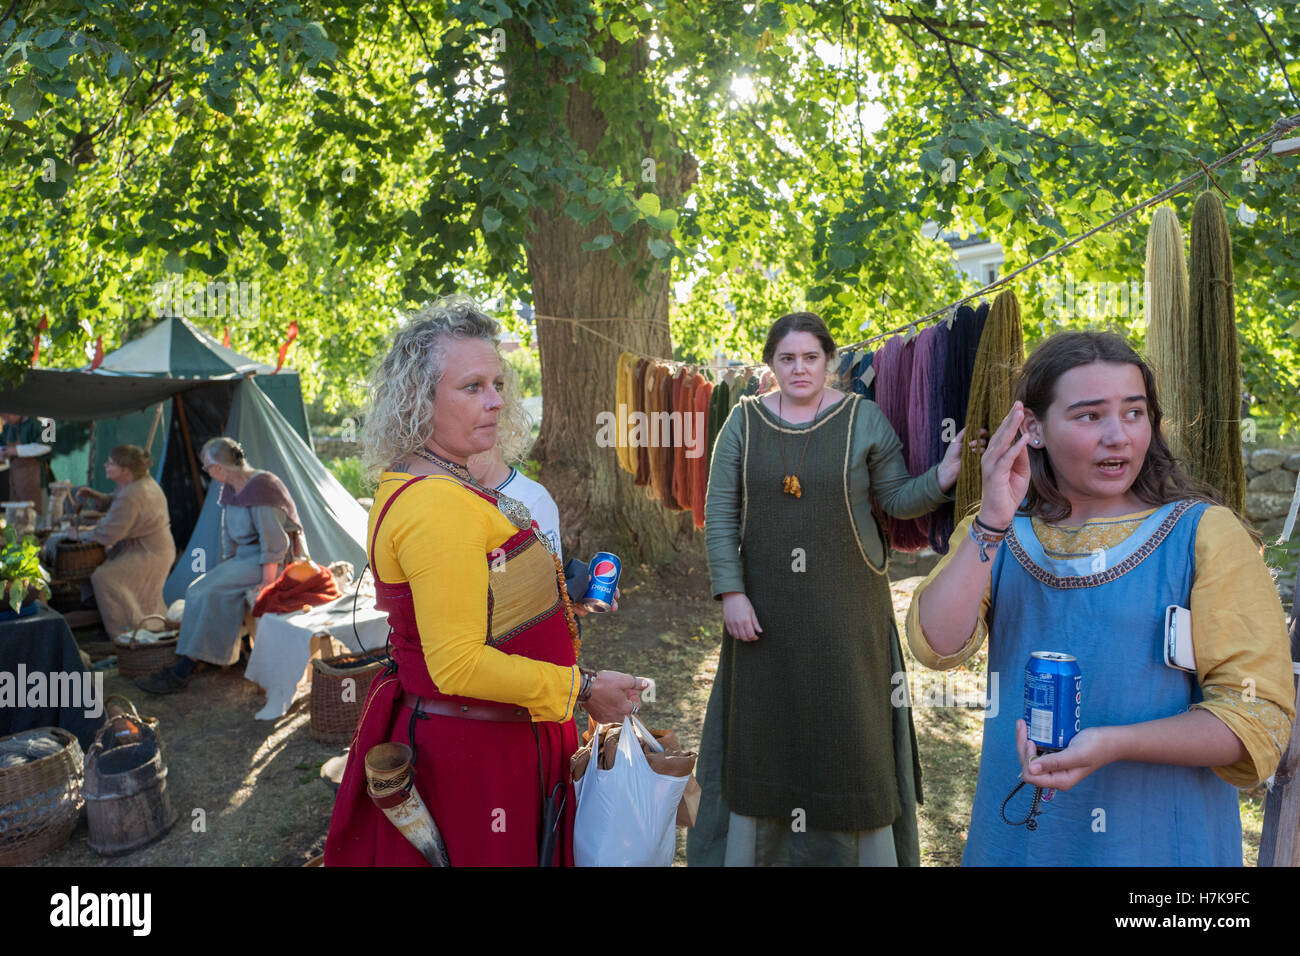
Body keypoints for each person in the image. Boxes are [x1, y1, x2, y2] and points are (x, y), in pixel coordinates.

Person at [907, 330, 1295, 866]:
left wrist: (1112, 743)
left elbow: (1256, 721)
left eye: (1134, 413)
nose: (1118, 436)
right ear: (1034, 429)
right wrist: (993, 520)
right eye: (1090, 416)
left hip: (1157, 849)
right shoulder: (1001, 533)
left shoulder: (1205, 534)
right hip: (1019, 844)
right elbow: (936, 645)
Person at [324, 295, 646, 867]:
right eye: (472, 387)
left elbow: (481, 601)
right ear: (419, 401)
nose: (497, 401)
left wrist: (557, 594)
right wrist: (583, 687)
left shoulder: (433, 485)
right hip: (480, 753)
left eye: (497, 383)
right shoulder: (436, 505)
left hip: (491, 736)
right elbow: (459, 664)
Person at [688, 311, 969, 867]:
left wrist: (943, 475)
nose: (799, 369)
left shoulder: (863, 419)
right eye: (787, 358)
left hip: (848, 607)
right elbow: (719, 511)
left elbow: (895, 499)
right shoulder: (742, 422)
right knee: (768, 731)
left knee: (851, 733)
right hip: (763, 611)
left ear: (829, 361)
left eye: (810, 358)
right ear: (771, 364)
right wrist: (732, 592)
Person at [135, 437, 302, 694]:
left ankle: (184, 670)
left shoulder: (263, 486)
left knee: (210, 591)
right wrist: (228, 567)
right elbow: (229, 535)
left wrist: (267, 583)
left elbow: (273, 539)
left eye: (208, 467)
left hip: (274, 561)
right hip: (246, 558)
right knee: (195, 589)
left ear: (220, 467)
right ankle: (196, 657)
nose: (207, 472)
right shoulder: (230, 488)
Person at [74, 445, 175, 641]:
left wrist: (78, 535)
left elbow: (108, 534)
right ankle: (129, 620)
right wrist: (97, 497)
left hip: (149, 553)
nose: (106, 465)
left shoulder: (134, 494)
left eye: (110, 463)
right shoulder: (136, 484)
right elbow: (117, 501)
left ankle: (127, 633)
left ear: (124, 470)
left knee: (105, 577)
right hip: (143, 548)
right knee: (102, 571)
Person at [1, 412, 53, 513]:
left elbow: (47, 446)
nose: (6, 420)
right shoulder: (8, 427)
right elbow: (2, 444)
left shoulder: (37, 425)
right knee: (14, 519)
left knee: (36, 517)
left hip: (35, 483)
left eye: (7, 416)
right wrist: (3, 451)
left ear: (16, 410)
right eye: (3, 417)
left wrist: (17, 450)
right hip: (15, 484)